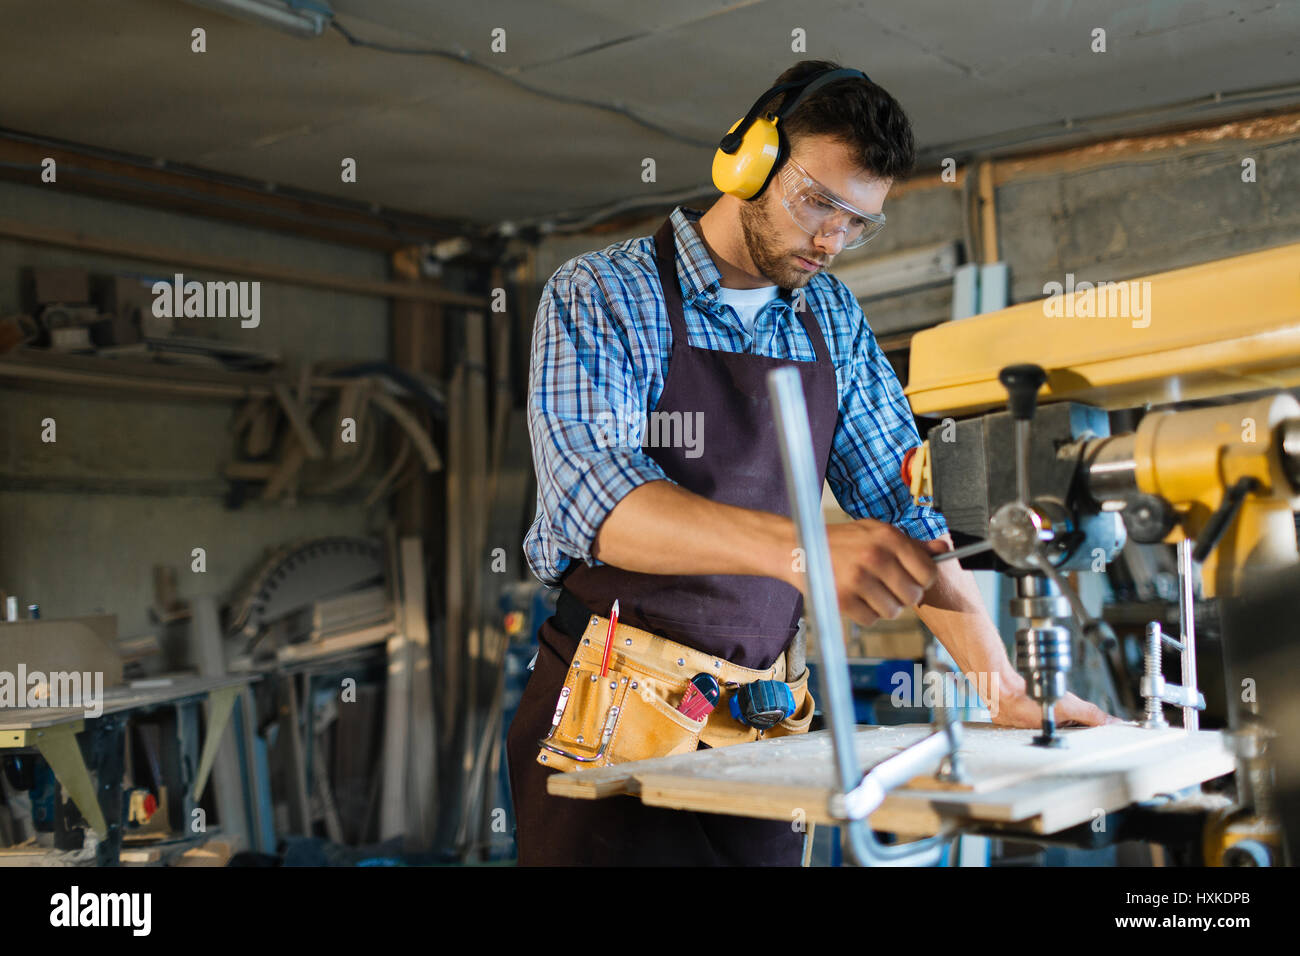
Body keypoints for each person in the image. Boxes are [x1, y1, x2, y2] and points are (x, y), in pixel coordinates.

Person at [507, 59, 1113, 866]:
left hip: (762, 723)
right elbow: (595, 499)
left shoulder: (831, 316)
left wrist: (1001, 688)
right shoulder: (605, 292)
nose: (833, 239)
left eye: (860, 222)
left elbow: (907, 510)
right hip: (610, 721)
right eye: (818, 202)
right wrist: (803, 550)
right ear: (748, 159)